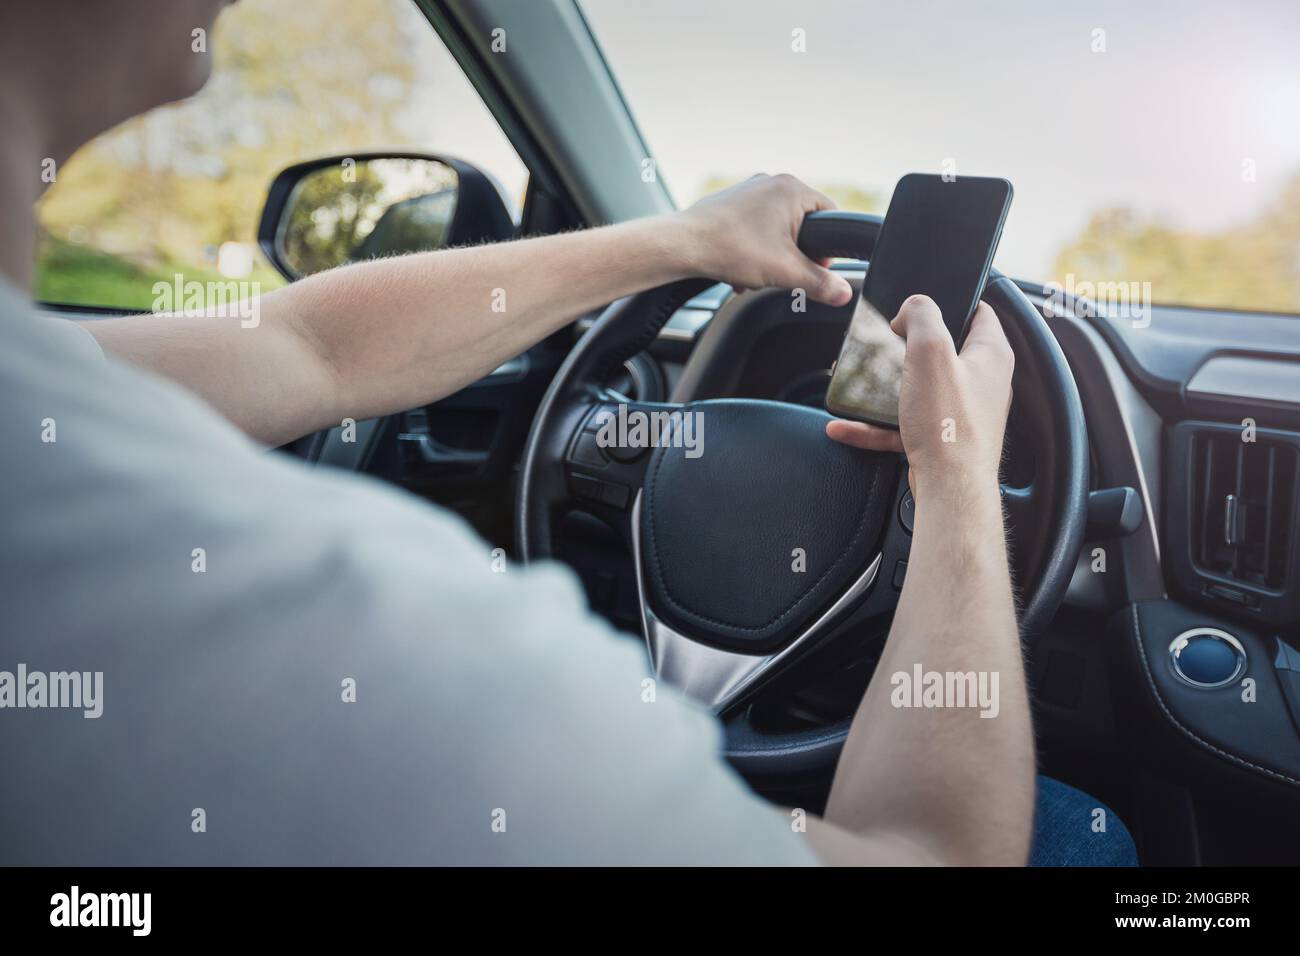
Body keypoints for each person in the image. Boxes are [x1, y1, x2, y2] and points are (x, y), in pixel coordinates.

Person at [0, 0, 1135, 865]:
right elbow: (927, 853)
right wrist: (954, 475)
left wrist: (680, 241)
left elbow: (312, 353)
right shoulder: (379, 652)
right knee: (1085, 833)